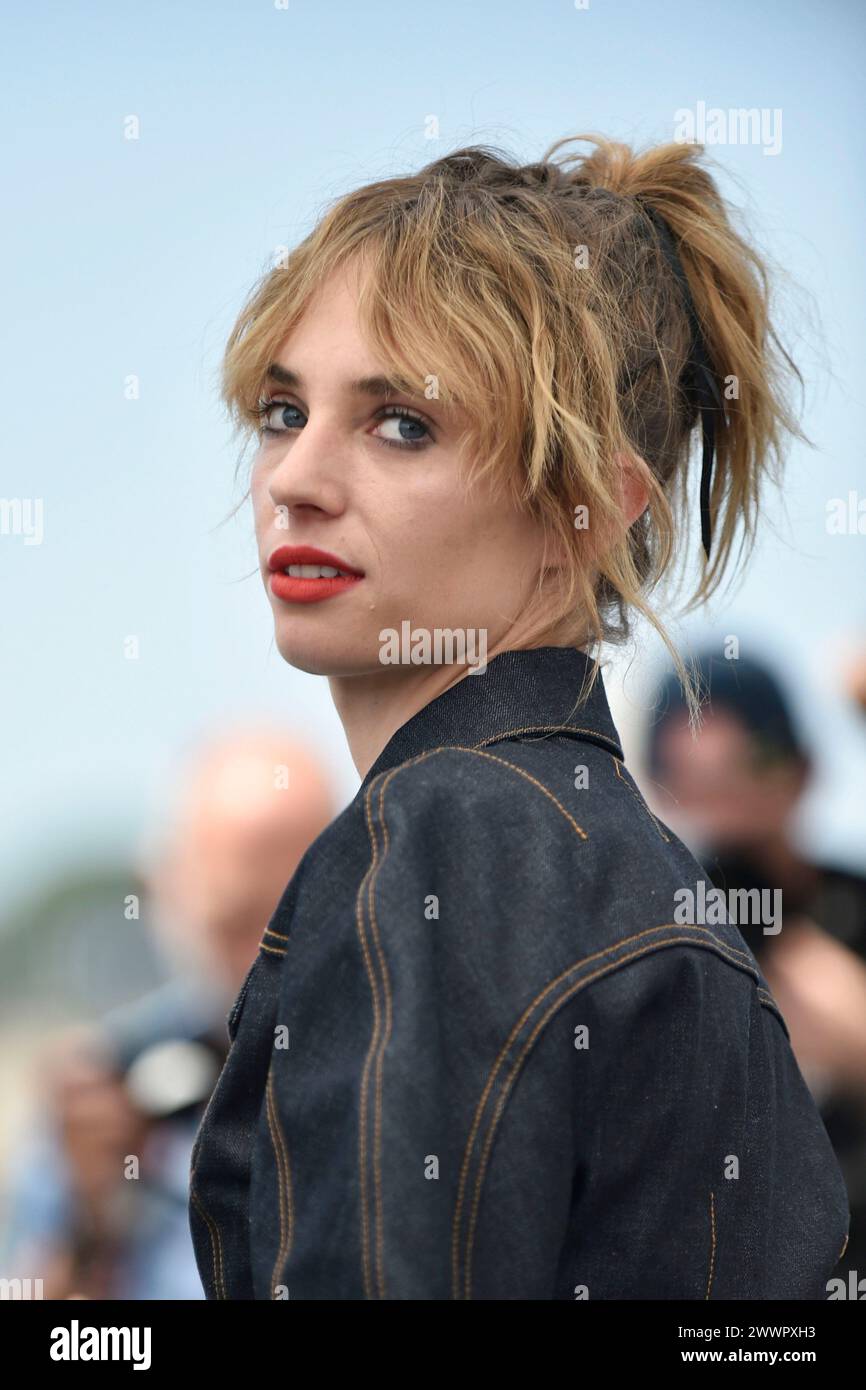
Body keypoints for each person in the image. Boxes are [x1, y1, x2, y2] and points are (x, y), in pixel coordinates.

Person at [188, 133, 850, 1300]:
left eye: (402, 422)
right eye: (284, 408)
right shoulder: (623, 860)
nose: (296, 475)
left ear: (588, 505)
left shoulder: (451, 833)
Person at [1, 730, 335, 1299]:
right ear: (164, 891)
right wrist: (90, 1221)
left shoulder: (389, 1058)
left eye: (290, 928)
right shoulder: (108, 1086)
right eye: (235, 926)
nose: (264, 967)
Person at [644, 649, 866, 1277]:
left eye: (750, 763)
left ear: (804, 771)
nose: (720, 800)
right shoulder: (654, 938)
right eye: (684, 774)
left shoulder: (849, 910)